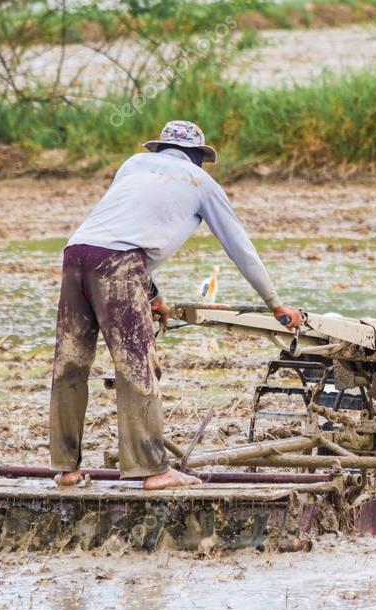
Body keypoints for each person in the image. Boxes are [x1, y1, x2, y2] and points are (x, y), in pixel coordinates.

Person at [49, 120, 303, 490]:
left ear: (162, 149)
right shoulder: (202, 184)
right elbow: (239, 249)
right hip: (120, 266)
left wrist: (152, 296)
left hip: (76, 254)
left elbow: (118, 231)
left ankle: (65, 468)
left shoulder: (133, 165)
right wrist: (276, 303)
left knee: (70, 365)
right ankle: (153, 470)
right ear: (198, 157)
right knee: (138, 366)